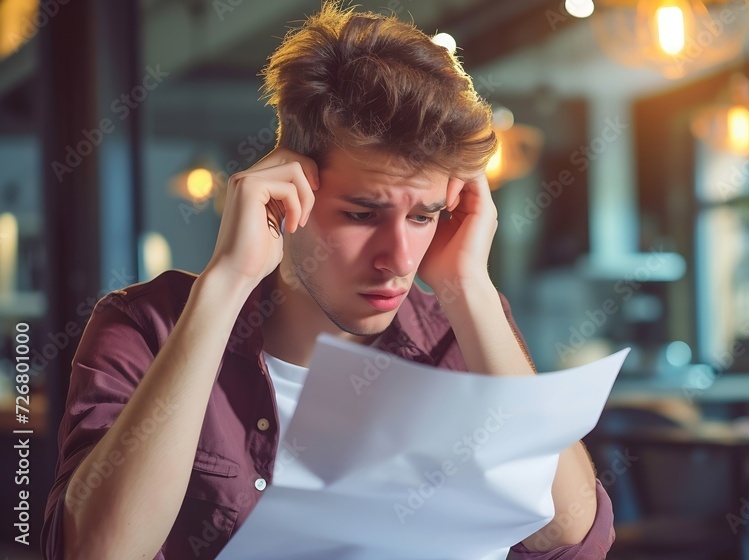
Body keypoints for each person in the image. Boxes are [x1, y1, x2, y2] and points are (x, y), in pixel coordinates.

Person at [41, 3, 614, 559]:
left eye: (423, 216)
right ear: (291, 192)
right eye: (363, 214)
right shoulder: (147, 328)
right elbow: (96, 551)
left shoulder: (464, 331)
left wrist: (471, 288)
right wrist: (224, 286)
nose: (397, 258)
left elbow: (570, 540)